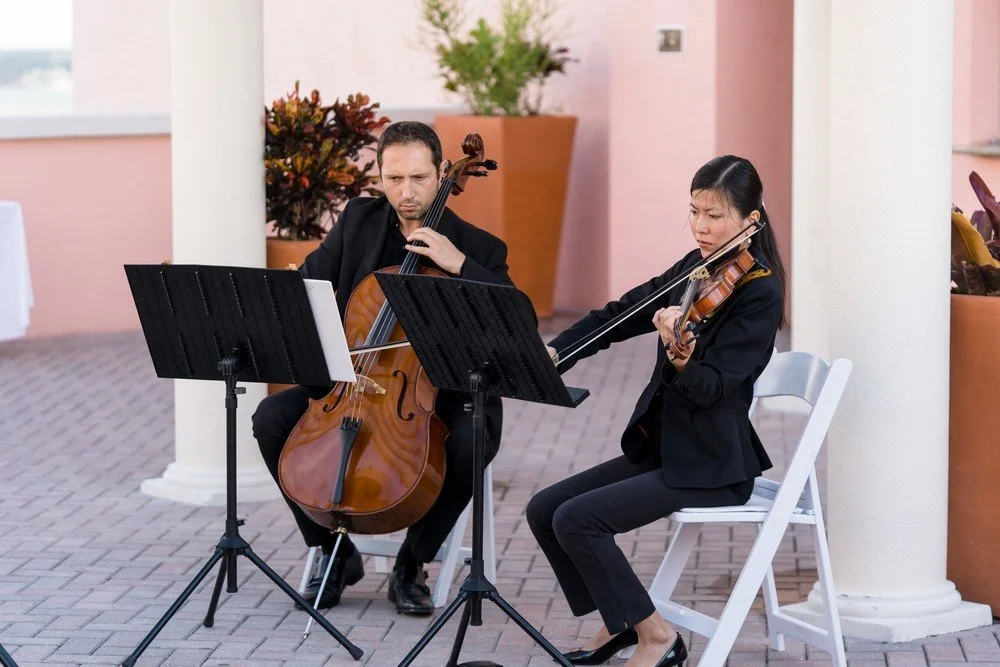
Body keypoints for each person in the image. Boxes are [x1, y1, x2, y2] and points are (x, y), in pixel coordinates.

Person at [527, 155, 786, 667]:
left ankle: (656, 637)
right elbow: (621, 314)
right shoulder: (698, 269)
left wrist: (682, 354)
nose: (702, 227)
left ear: (749, 221)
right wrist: (556, 353)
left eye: (715, 216)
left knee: (578, 520)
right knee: (543, 509)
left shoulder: (760, 292)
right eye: (695, 212)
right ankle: (623, 621)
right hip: (667, 448)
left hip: (712, 463)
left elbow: (715, 389)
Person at [252, 121, 514, 616]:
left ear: (442, 173)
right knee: (270, 419)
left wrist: (459, 265)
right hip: (352, 382)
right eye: (394, 180)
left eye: (418, 178)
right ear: (380, 176)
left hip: (439, 393)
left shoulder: (479, 247)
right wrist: (291, 297)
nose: (406, 193)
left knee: (470, 439)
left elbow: (509, 315)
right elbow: (312, 281)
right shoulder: (359, 221)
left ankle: (411, 563)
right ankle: (335, 553)